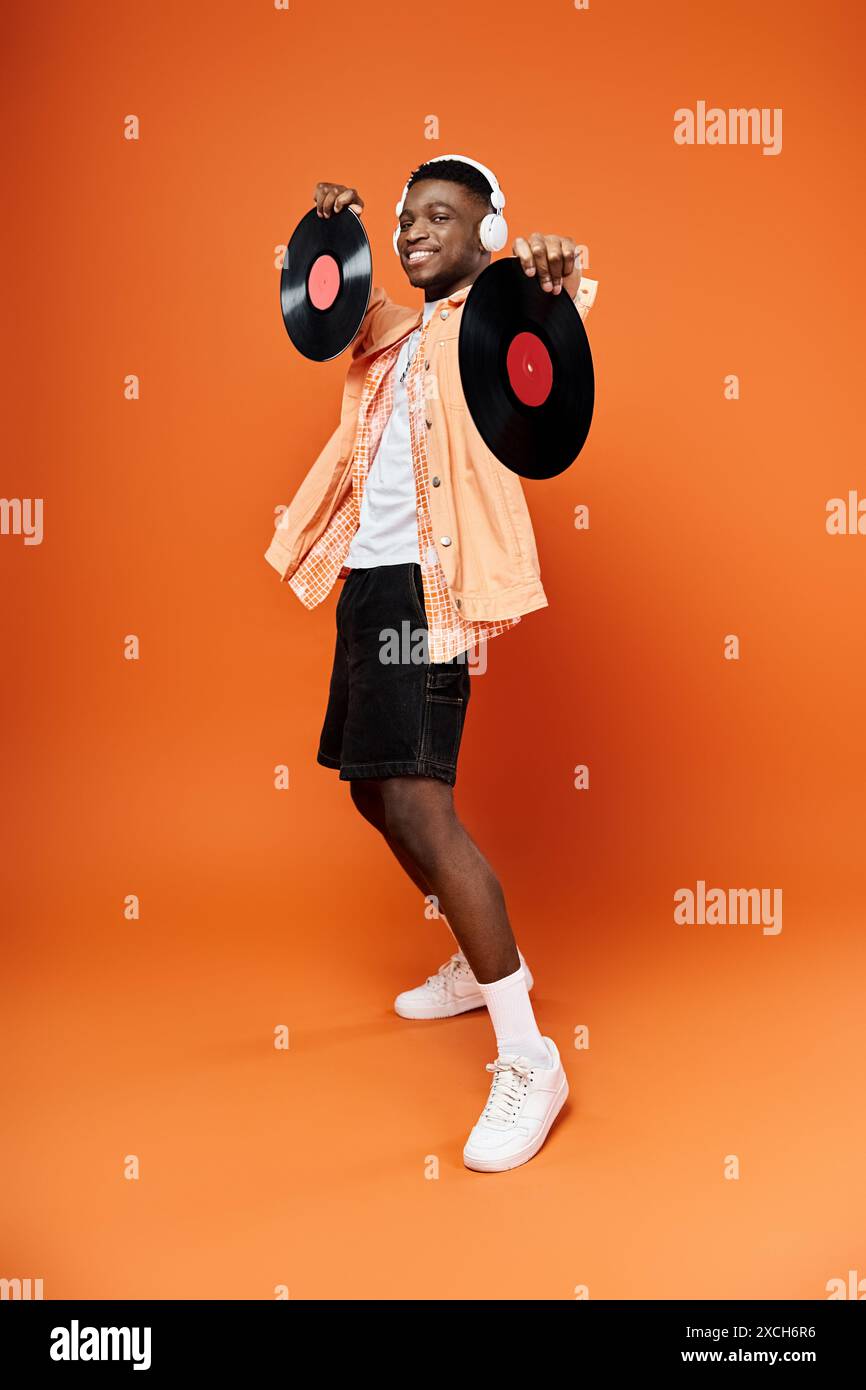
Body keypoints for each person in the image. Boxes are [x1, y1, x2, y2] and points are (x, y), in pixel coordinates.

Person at [265, 156, 598, 1172]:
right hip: (364, 587)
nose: (415, 231)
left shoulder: (495, 325)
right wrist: (326, 234)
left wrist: (551, 269)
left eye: (439, 217)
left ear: (486, 234)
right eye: (407, 218)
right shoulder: (392, 336)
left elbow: (562, 299)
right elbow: (325, 306)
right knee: (372, 795)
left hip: (428, 594)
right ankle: (468, 960)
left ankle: (528, 1056)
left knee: (419, 805)